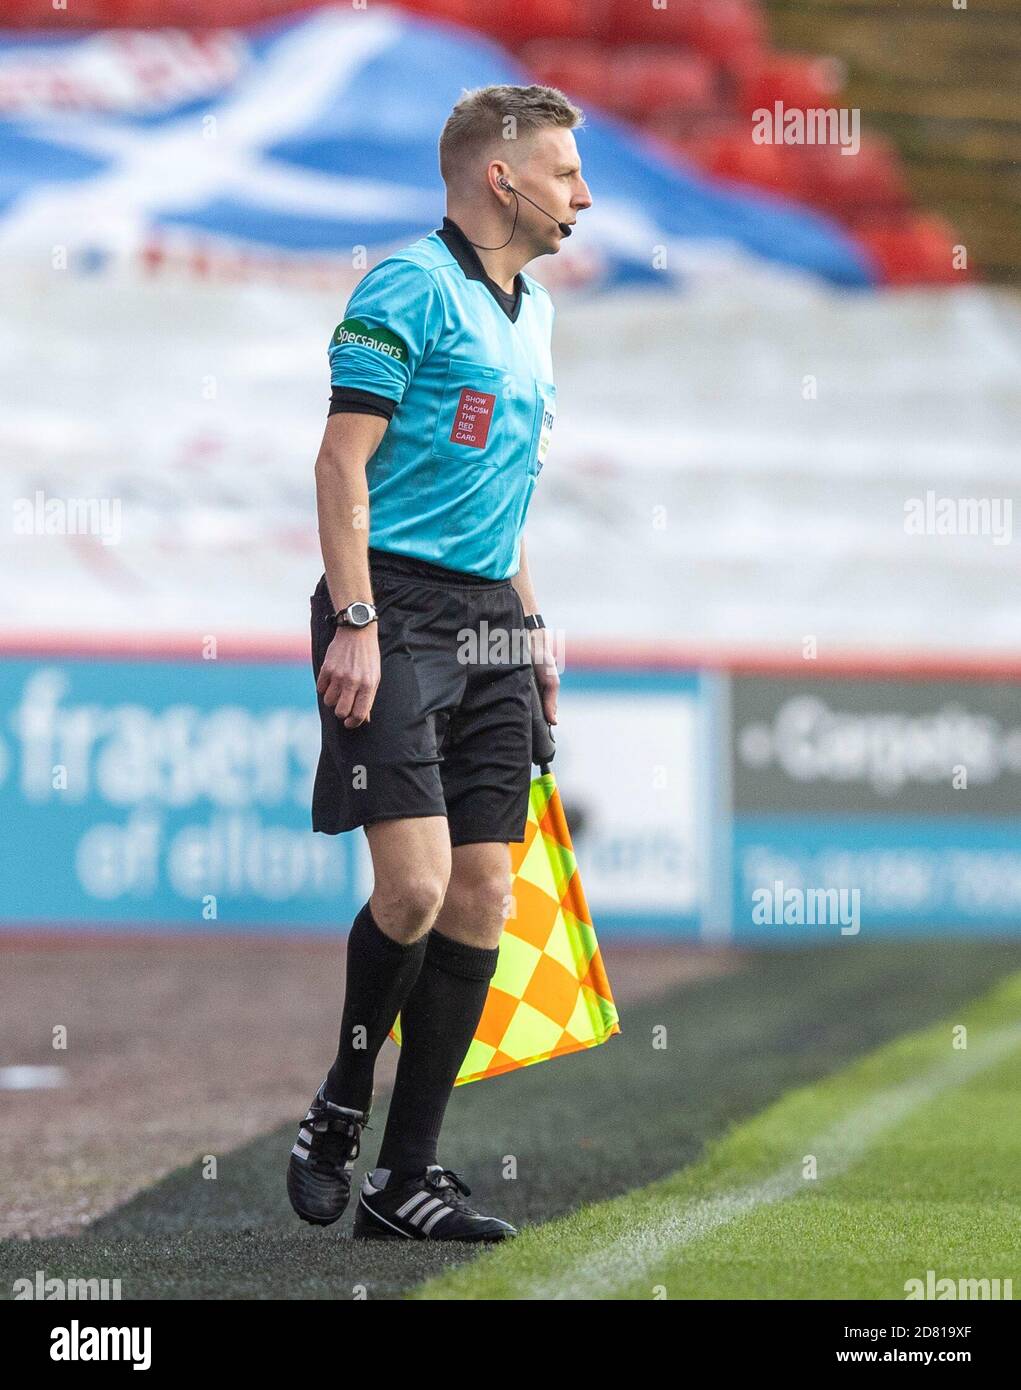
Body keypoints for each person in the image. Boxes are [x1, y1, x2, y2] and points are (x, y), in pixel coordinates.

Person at [287, 83, 592, 1242]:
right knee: (411, 888)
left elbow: (507, 504)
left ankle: (406, 1177)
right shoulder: (406, 286)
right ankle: (335, 1107)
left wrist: (533, 631)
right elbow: (337, 467)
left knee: (483, 895)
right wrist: (356, 620)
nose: (584, 195)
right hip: (398, 610)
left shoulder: (538, 313)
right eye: (565, 172)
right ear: (499, 178)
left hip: (492, 621)